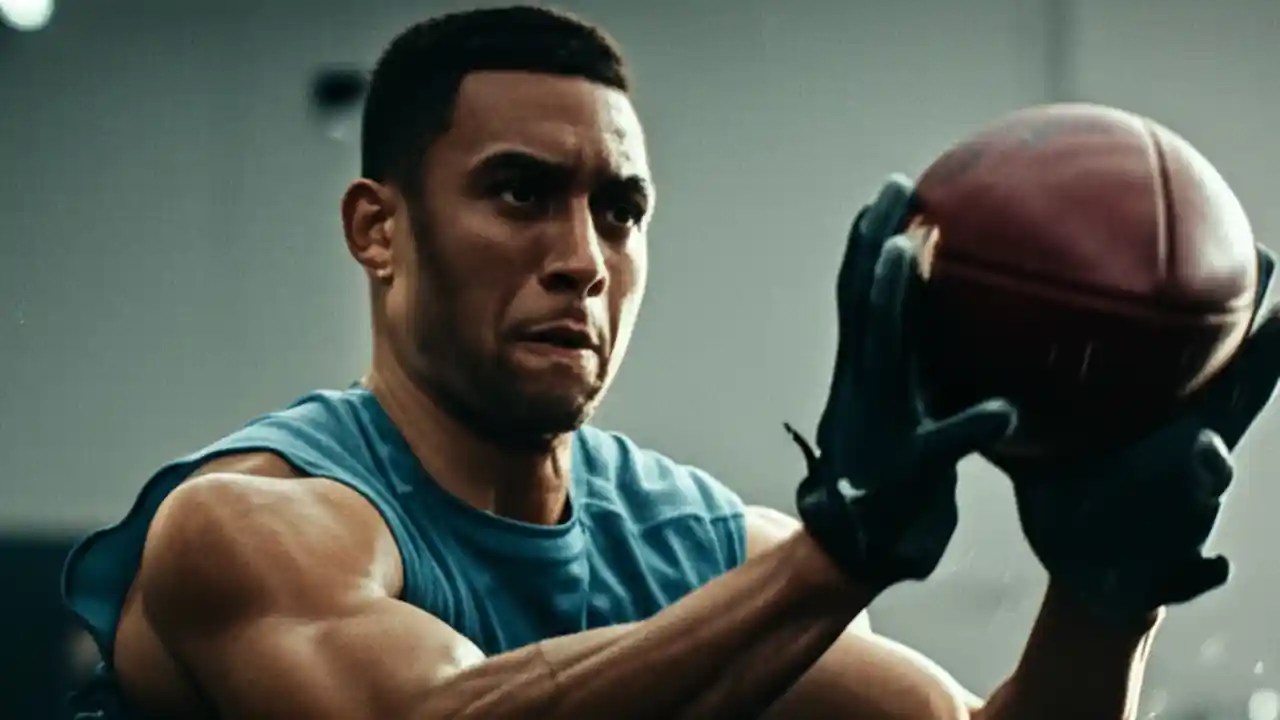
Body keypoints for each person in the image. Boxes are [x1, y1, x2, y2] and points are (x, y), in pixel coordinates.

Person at [61, 6, 1280, 719]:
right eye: (521, 193)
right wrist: (833, 559)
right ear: (378, 229)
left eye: (619, 210)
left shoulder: (688, 547)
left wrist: (1108, 596)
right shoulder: (248, 531)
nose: (582, 259)